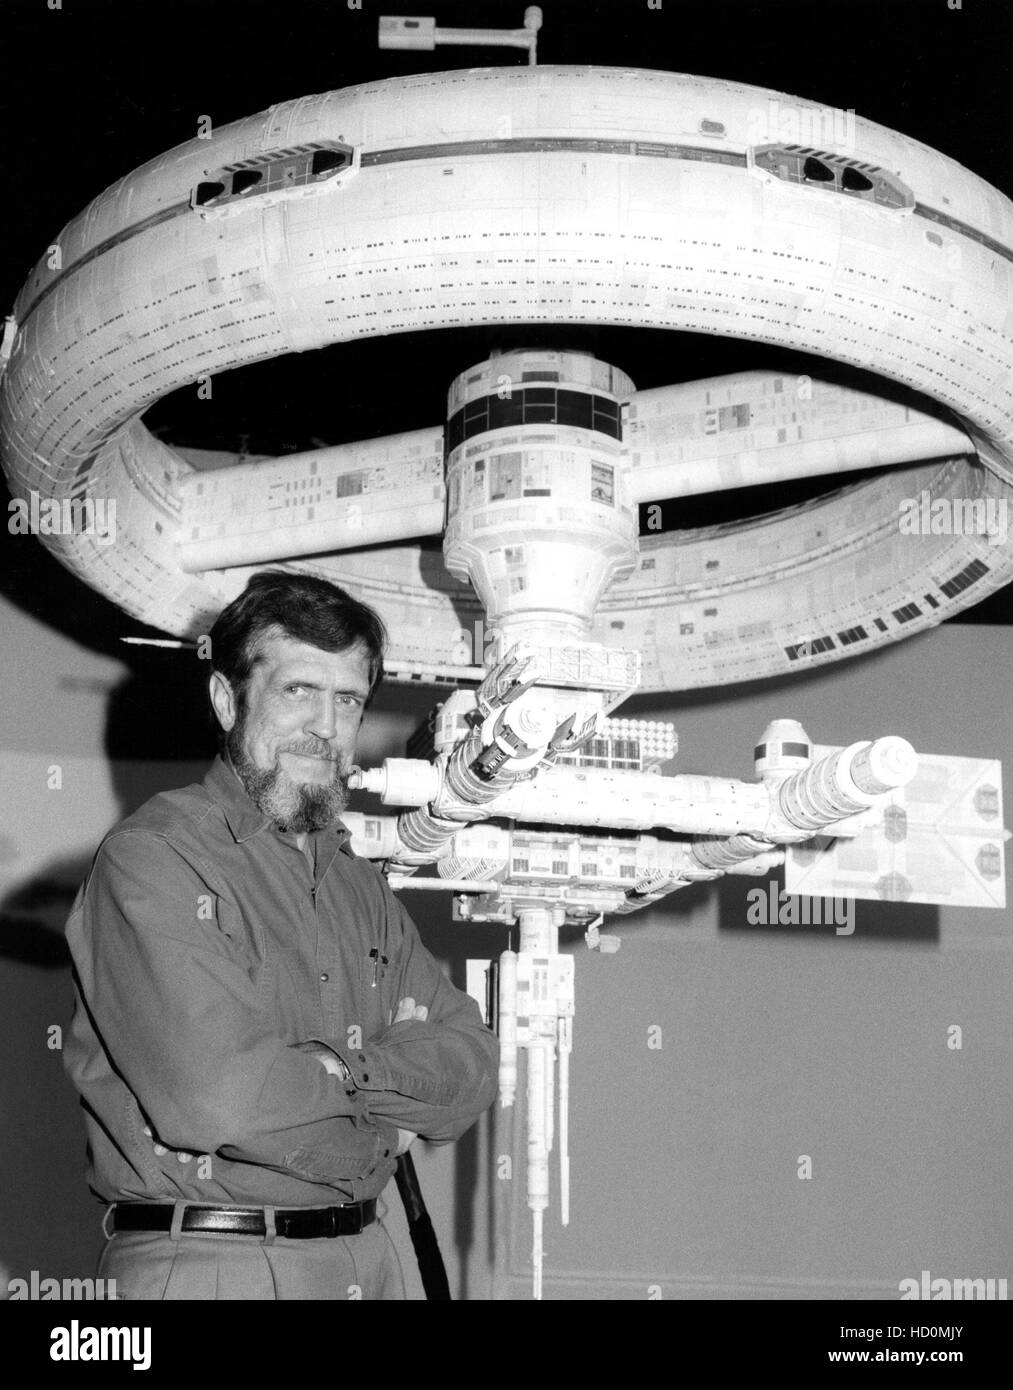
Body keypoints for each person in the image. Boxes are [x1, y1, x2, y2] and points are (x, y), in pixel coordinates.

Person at [63, 570, 499, 1300]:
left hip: (369, 1255)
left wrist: (339, 1075)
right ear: (227, 700)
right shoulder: (156, 858)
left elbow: (473, 1066)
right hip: (211, 1264)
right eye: (298, 691)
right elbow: (217, 1099)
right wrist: (386, 1105)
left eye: (348, 699)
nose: (325, 727)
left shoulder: (360, 886)